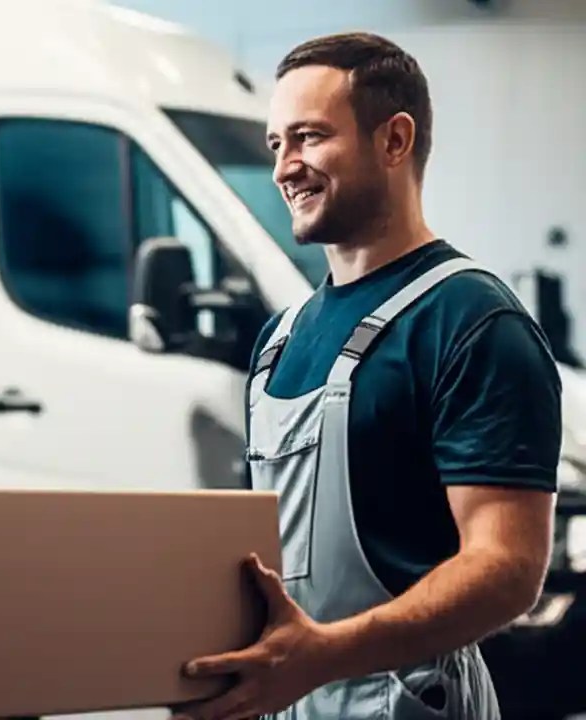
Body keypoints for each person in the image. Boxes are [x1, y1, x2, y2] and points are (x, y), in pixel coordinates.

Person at [173, 32, 561, 720]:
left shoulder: (471, 322)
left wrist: (327, 653)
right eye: (276, 144)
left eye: (309, 137)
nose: (284, 168)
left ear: (394, 140)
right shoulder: (280, 340)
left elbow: (507, 569)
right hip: (285, 701)